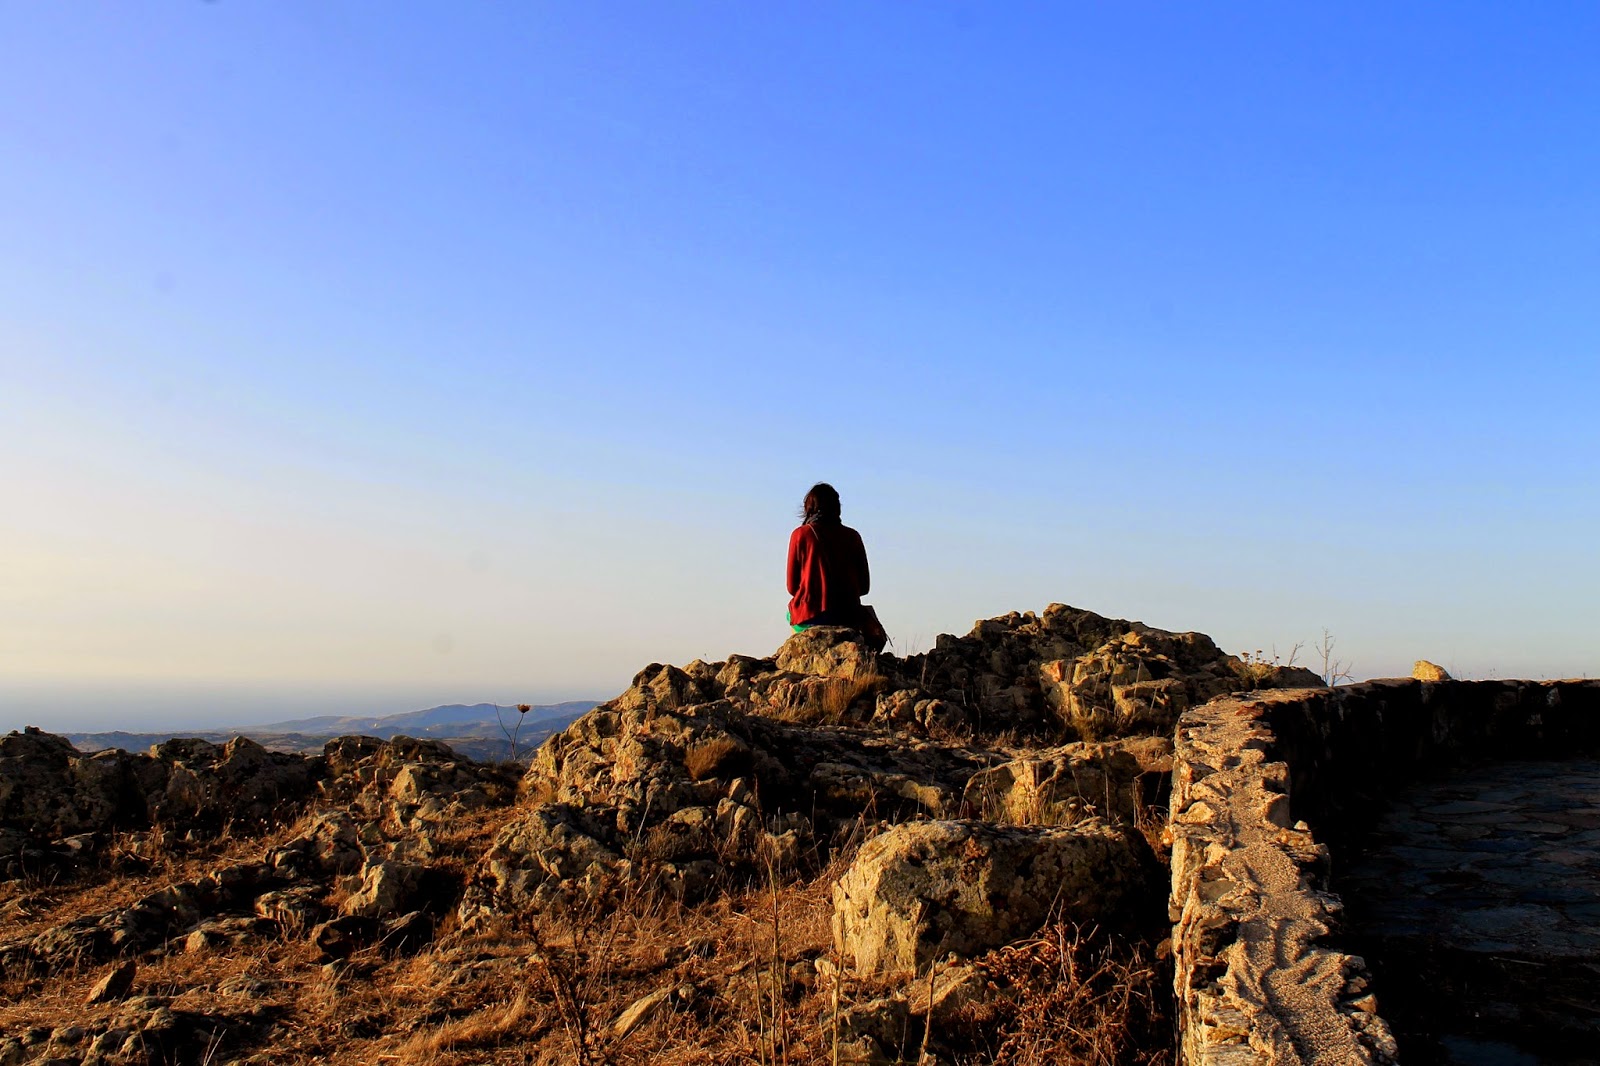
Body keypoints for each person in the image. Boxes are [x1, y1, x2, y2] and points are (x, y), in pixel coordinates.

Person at [786, 482, 872, 634]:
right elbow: (864, 587)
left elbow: (792, 587)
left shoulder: (801, 535)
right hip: (848, 617)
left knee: (790, 614)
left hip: (811, 616)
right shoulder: (853, 536)